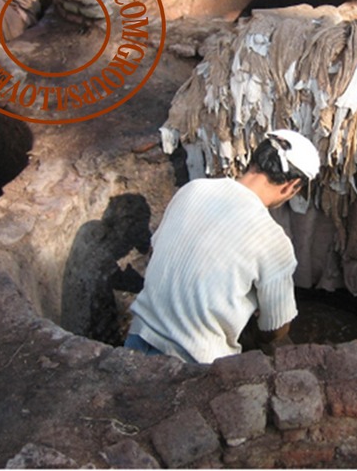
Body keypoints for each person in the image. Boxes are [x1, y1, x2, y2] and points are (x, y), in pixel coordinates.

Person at [125, 129, 321, 364]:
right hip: (195, 362)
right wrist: (253, 336)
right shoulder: (273, 241)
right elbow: (276, 326)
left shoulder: (192, 189)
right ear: (293, 186)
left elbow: (155, 253)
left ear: (254, 159)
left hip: (137, 339)